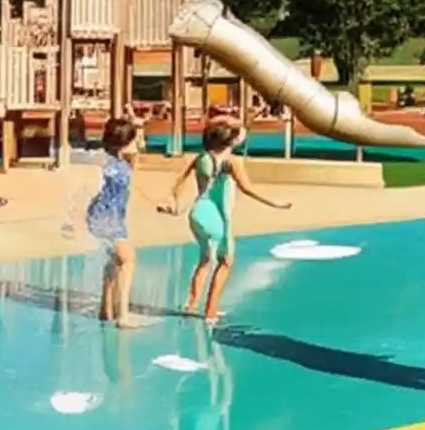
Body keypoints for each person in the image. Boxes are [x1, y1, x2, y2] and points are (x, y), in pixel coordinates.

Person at [168, 117, 291, 323]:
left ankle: (191, 303)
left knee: (205, 260)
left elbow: (178, 181)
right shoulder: (232, 161)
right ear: (231, 141)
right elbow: (248, 189)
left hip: (198, 213)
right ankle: (211, 312)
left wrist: (174, 202)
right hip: (217, 216)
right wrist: (275, 203)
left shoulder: (201, 158)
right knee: (226, 261)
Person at [85, 117, 142, 328]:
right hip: (107, 218)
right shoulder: (112, 166)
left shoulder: (114, 161)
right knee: (127, 259)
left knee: (113, 261)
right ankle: (123, 316)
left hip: (111, 216)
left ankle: (106, 308)